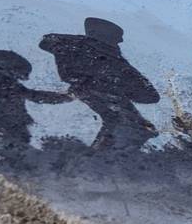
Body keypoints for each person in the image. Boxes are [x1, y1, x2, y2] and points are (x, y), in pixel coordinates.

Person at [39, 18, 160, 151]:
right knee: (127, 126)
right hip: (121, 118)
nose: (121, 42)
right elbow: (150, 96)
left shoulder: (72, 46)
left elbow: (46, 42)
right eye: (117, 38)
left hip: (86, 92)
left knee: (117, 123)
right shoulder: (117, 64)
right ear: (105, 35)